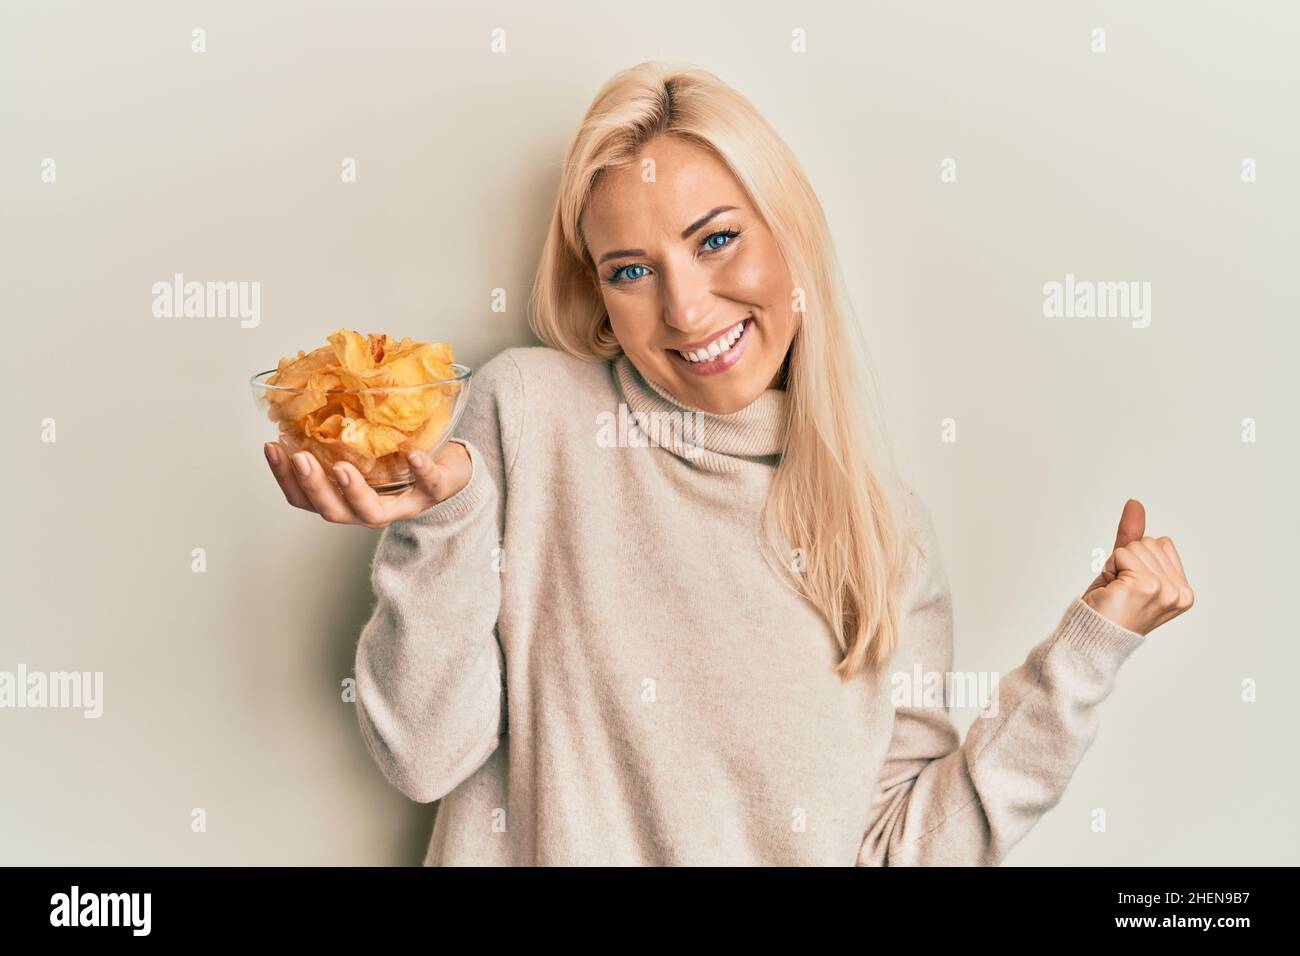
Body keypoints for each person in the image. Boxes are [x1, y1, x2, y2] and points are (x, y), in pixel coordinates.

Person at [261, 62, 1194, 865]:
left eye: (716, 240)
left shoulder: (885, 534)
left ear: (791, 236)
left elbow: (899, 850)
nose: (687, 308)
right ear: (601, 292)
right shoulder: (526, 413)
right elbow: (423, 755)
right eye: (631, 269)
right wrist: (442, 521)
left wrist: (1088, 649)